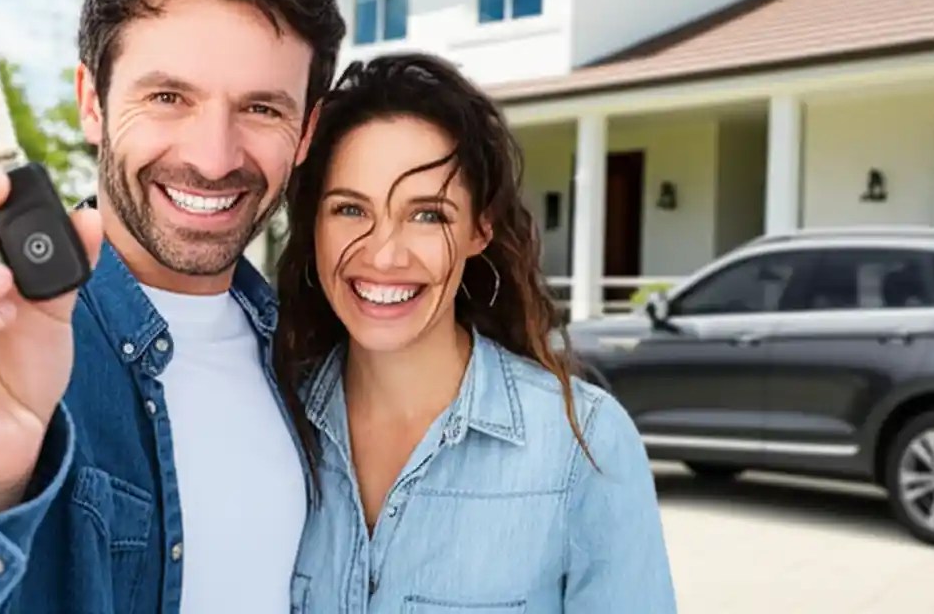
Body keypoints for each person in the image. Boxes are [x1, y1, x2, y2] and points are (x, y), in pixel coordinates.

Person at [0, 0, 343, 613]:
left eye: (262, 108)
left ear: (306, 132)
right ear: (92, 101)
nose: (213, 157)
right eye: (168, 97)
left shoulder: (306, 357)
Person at [272, 53, 678, 613]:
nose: (383, 254)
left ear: (479, 227)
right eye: (349, 209)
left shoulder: (583, 444)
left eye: (427, 214)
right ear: (311, 223)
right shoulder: (271, 422)